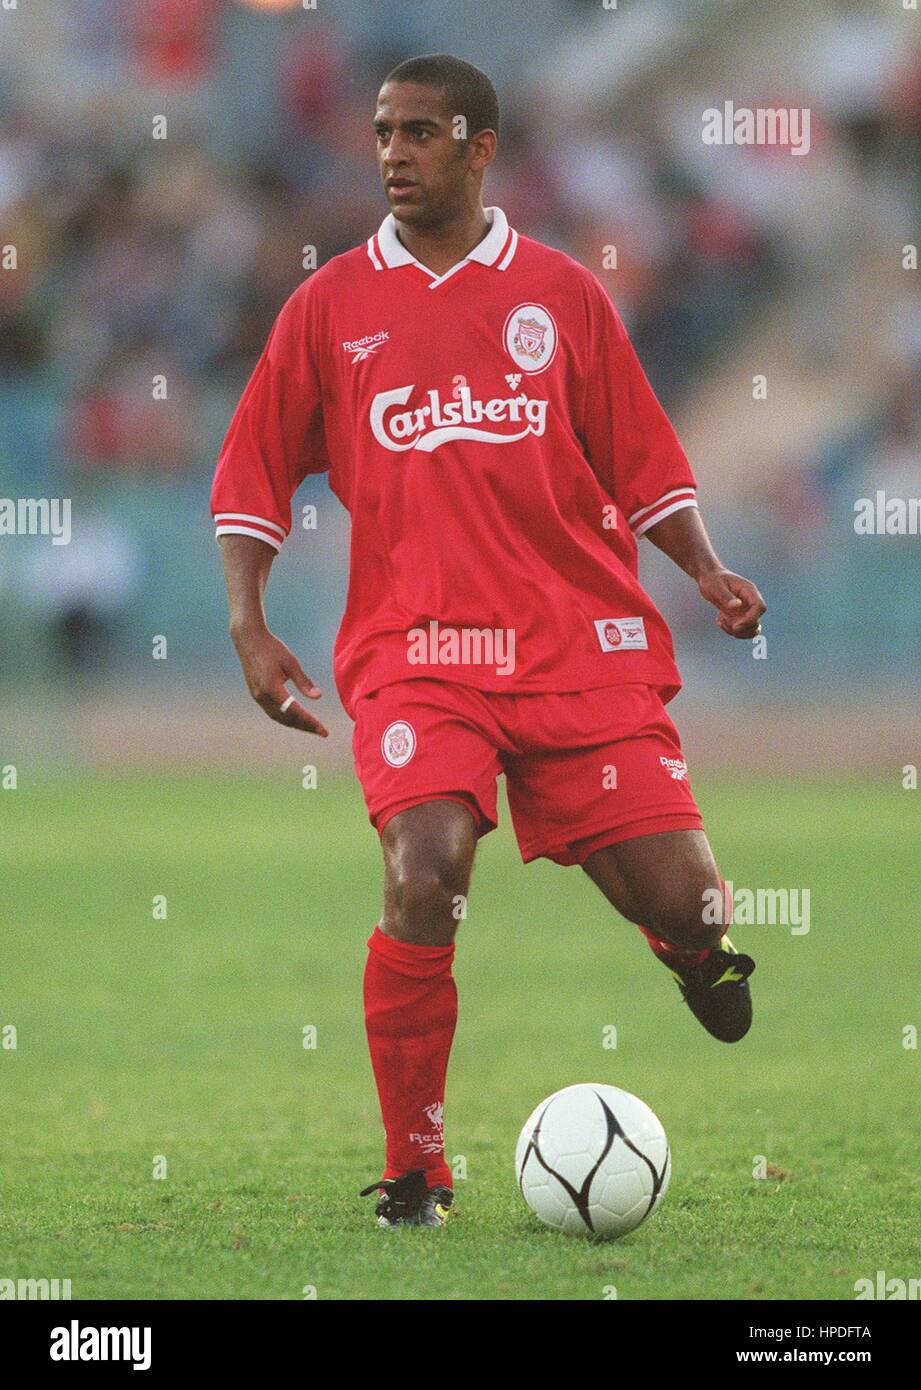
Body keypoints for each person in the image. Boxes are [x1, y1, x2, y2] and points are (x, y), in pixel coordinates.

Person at [211, 54, 766, 1231]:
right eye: (382, 132)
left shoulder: (562, 295)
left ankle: (689, 948)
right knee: (425, 868)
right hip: (417, 651)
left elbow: (643, 459)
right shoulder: (329, 308)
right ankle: (416, 1171)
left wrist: (707, 569)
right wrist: (249, 625)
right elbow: (253, 470)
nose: (393, 154)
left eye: (420, 132)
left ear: (480, 147)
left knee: (695, 902)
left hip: (576, 647)